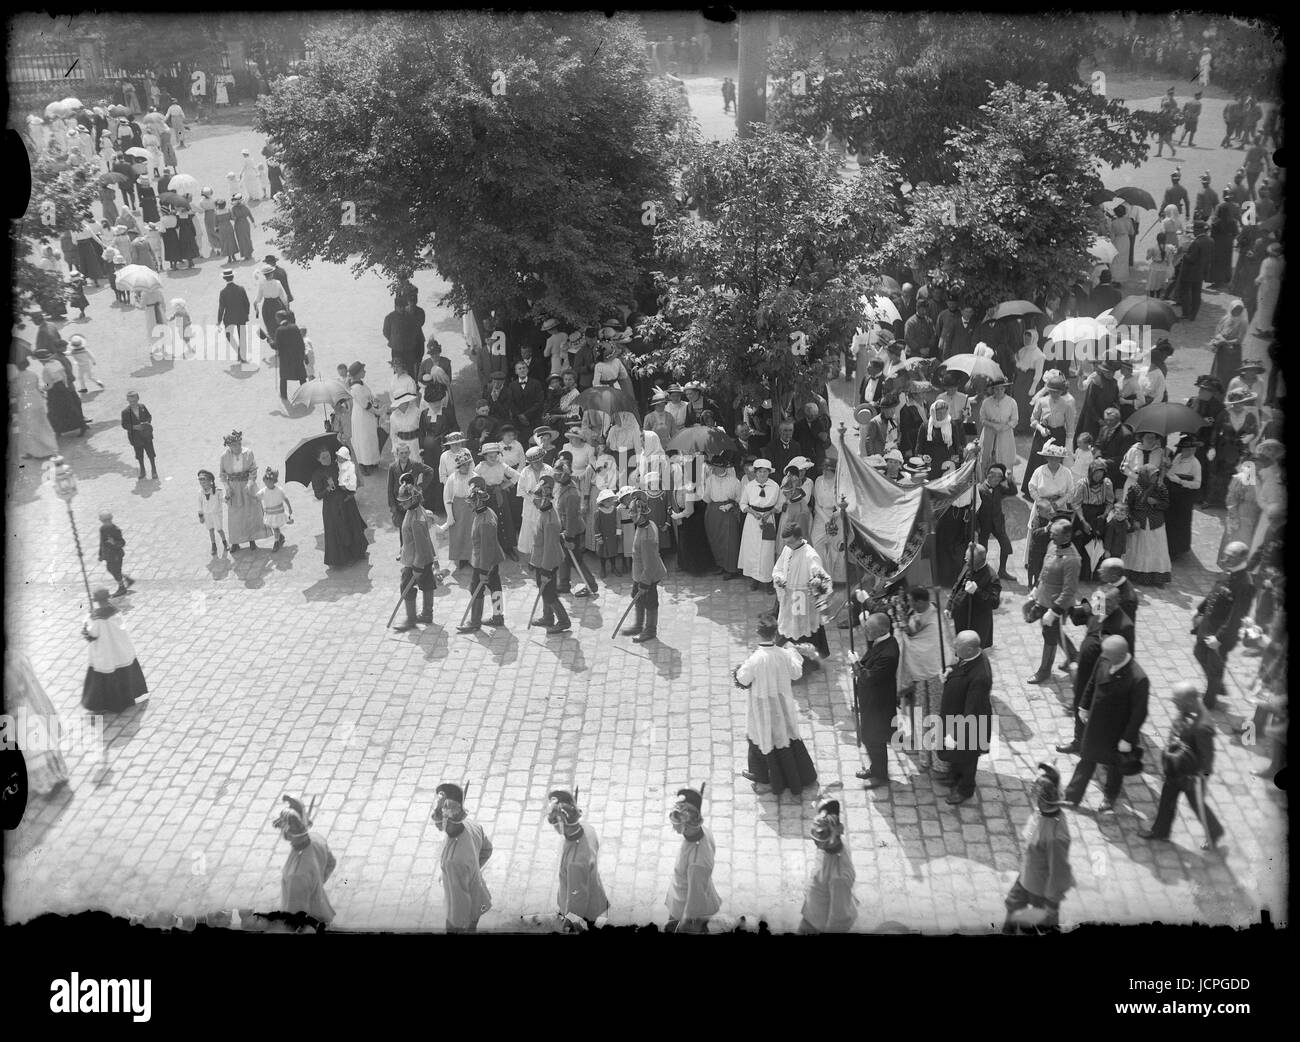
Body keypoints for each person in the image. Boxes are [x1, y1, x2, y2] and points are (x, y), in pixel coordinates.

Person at [1062, 635, 1149, 813]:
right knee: (1087, 758)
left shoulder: (1138, 678)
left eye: (1108, 656)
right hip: (1095, 723)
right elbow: (1092, 682)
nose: (1104, 658)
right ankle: (1072, 796)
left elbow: (1139, 713)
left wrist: (1127, 739)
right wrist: (1084, 706)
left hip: (1117, 730)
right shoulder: (1104, 659)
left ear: (1119, 656)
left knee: (1114, 765)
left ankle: (1110, 795)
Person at [734, 615, 819, 796]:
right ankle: (796, 777)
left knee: (761, 737)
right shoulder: (784, 654)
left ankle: (762, 777)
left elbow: (742, 678)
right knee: (785, 736)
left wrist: (740, 668)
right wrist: (794, 651)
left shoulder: (755, 659)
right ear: (775, 633)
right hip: (782, 705)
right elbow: (796, 673)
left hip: (762, 706)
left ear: (758, 633)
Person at [1136, 683, 1224, 850]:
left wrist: (1200, 777)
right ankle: (1161, 831)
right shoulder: (1190, 709)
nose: (1174, 704)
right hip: (1178, 767)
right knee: (1167, 798)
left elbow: (1207, 756)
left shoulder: (1202, 726)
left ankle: (1215, 831)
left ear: (1189, 701)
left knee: (1196, 804)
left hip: (1192, 774)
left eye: (1177, 701)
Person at [1002, 764, 1074, 933]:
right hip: (1026, 874)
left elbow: (1059, 871)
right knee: (1012, 903)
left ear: (1043, 801)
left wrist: (1052, 903)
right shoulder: (1042, 813)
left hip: (1041, 889)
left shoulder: (1056, 837)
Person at [931, 629, 994, 806]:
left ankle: (965, 789)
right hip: (956, 715)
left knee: (968, 758)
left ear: (969, 650)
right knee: (958, 755)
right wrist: (950, 674)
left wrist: (955, 735)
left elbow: (972, 711)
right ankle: (954, 776)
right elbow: (961, 667)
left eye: (957, 645)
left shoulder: (980, 677)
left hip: (970, 725)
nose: (954, 647)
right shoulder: (970, 658)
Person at [1193, 541, 1253, 711]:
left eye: (1230, 556)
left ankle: (1208, 702)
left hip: (1220, 634)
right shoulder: (1228, 570)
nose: (1224, 558)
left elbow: (1237, 616)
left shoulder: (1245, 584)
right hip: (1208, 625)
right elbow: (1215, 591)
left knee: (1213, 668)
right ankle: (1218, 686)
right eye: (1225, 554)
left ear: (1242, 558)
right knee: (1198, 653)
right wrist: (1200, 610)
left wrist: (1219, 638)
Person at [4, 650, 71, 794]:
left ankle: (47, 780)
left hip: (21, 708)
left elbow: (15, 691)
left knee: (33, 742)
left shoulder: (11, 663)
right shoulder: (16, 657)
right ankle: (55, 773)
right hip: (30, 703)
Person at [432, 783, 493, 933]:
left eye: (440, 820)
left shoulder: (452, 862)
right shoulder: (472, 825)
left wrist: (455, 926)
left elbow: (459, 902)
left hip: (464, 915)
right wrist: (471, 870)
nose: (438, 824)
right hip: (478, 896)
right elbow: (487, 849)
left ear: (448, 821)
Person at [545, 790, 609, 931]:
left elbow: (577, 901)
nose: (554, 826)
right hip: (597, 897)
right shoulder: (588, 829)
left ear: (562, 824)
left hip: (588, 915)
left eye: (555, 822)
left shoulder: (575, 863)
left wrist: (569, 924)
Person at [1027, 519, 1081, 683]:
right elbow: (1045, 568)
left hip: (1057, 603)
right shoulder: (1052, 544)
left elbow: (1069, 590)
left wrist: (1054, 611)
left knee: (1049, 634)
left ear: (1067, 536)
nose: (1051, 536)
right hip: (1044, 597)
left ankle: (1044, 672)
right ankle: (1074, 656)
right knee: (1055, 632)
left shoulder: (1072, 559)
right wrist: (1036, 588)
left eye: (1055, 534)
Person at [771, 522, 831, 667]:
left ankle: (806, 664)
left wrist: (816, 582)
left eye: (790, 542)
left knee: (802, 630)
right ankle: (784, 660)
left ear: (800, 538)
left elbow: (822, 578)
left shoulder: (810, 555)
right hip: (788, 596)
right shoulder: (787, 549)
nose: (787, 545)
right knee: (787, 627)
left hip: (802, 599)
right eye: (785, 542)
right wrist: (779, 578)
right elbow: (778, 568)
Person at [271, 796, 336, 929]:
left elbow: (294, 919)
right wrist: (316, 881)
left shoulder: (297, 876)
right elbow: (331, 862)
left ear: (289, 835)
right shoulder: (317, 839)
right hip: (323, 911)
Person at [80, 587, 148, 712]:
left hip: (105, 653)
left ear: (97, 601)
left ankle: (109, 705)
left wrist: (88, 619)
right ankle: (127, 700)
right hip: (120, 650)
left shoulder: (95, 619)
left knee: (106, 676)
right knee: (122, 674)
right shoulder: (115, 611)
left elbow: (92, 634)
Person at [852, 612, 900, 790]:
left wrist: (857, 665)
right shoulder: (881, 642)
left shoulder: (889, 653)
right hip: (871, 699)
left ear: (880, 631)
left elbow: (870, 678)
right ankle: (876, 768)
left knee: (873, 739)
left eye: (869, 629)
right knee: (872, 738)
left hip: (878, 704)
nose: (865, 631)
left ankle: (881, 775)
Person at [664, 787, 722, 934]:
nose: (673, 826)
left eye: (675, 823)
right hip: (683, 899)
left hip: (684, 911)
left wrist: (683, 927)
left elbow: (695, 902)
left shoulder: (697, 862)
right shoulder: (703, 831)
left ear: (685, 825)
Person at [799, 798, 859, 934]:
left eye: (820, 838)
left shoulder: (839, 878)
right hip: (813, 909)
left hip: (818, 925)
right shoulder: (830, 845)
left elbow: (839, 918)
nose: (816, 844)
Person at [458, 477, 507, 632]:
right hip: (491, 558)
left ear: (478, 501)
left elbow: (486, 548)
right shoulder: (487, 512)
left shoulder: (485, 521)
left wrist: (484, 571)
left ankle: (474, 622)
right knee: (495, 586)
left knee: (476, 589)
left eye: (472, 501)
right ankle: (498, 616)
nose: (470, 504)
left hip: (484, 561)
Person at [619, 488, 666, 642]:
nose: (630, 514)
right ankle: (638, 625)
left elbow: (650, 564)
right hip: (639, 573)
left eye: (633, 512)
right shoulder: (646, 524)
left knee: (650, 602)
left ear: (640, 514)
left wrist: (644, 583)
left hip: (648, 576)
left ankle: (650, 630)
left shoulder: (647, 537)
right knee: (637, 598)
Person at [310, 448, 369, 568]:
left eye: (327, 455)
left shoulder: (338, 465)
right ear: (318, 459)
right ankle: (343, 558)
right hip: (332, 507)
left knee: (353, 526)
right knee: (339, 531)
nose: (327, 459)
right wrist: (328, 488)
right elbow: (318, 495)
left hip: (347, 501)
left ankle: (357, 553)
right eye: (323, 457)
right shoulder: (317, 474)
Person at [529, 475, 571, 635]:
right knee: (544, 589)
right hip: (541, 560)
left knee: (549, 593)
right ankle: (548, 617)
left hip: (549, 562)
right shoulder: (544, 512)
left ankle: (564, 620)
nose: (534, 501)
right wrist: (534, 562)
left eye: (536, 498)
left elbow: (550, 548)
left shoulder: (551, 521)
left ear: (545, 500)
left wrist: (546, 570)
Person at [555, 459, 598, 595]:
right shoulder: (565, 486)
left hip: (572, 530)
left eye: (559, 474)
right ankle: (563, 584)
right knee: (564, 557)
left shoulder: (571, 494)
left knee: (576, 560)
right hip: (565, 527)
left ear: (566, 475)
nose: (556, 476)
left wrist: (569, 537)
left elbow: (572, 518)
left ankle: (591, 585)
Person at [947, 543, 1000, 649]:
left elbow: (994, 603)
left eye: (969, 560)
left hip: (975, 623)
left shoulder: (992, 578)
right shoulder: (968, 565)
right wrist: (949, 605)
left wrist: (977, 592)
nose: (965, 561)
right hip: (961, 618)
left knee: (971, 650)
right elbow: (957, 585)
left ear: (979, 562)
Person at [34, 345, 88, 437]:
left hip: (54, 391)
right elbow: (64, 375)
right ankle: (81, 425)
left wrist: (42, 388)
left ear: (41, 360)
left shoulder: (46, 369)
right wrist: (65, 385)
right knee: (70, 408)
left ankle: (58, 430)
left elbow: (49, 384)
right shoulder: (56, 362)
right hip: (63, 387)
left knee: (54, 411)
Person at [116, 388, 158, 480]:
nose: (132, 403)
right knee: (139, 455)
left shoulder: (142, 407)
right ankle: (142, 469)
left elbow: (149, 416)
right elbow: (124, 425)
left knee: (151, 453)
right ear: (128, 401)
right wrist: (134, 427)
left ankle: (153, 469)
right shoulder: (125, 412)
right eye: (130, 401)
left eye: (134, 401)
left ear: (138, 399)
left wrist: (146, 424)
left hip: (146, 435)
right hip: (135, 437)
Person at [1174, 220, 1212, 320]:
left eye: (1194, 230)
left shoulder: (1197, 242)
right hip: (1201, 272)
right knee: (1196, 294)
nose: (1193, 232)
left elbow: (1191, 258)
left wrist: (1184, 255)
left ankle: (1186, 313)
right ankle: (1193, 314)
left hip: (1189, 272)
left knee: (1185, 292)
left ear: (1198, 230)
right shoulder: (1210, 241)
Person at [977, 378, 1017, 472]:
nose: (999, 391)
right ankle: (985, 482)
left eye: (1001, 389)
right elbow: (982, 419)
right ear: (993, 389)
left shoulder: (1011, 402)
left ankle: (1005, 482)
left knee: (1005, 457)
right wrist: (992, 425)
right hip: (989, 432)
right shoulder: (986, 402)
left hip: (1005, 433)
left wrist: (1003, 427)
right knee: (986, 457)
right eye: (996, 389)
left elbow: (1014, 420)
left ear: (1005, 389)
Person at [217, 269, 251, 363]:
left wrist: (219, 320)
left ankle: (238, 352)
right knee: (242, 336)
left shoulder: (223, 292)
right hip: (241, 316)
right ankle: (242, 356)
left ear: (224, 278)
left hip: (229, 317)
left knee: (229, 336)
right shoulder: (241, 288)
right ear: (233, 277)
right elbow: (247, 303)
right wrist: (246, 314)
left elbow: (221, 308)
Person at [258, 468, 294, 552]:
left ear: (273, 482)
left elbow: (285, 499)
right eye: (265, 482)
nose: (266, 484)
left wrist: (289, 507)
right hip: (270, 514)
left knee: (275, 528)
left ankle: (276, 542)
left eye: (268, 482)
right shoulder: (264, 490)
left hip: (278, 513)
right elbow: (257, 496)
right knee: (274, 527)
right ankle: (280, 536)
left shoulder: (279, 490)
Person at [197, 469, 228, 556]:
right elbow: (199, 504)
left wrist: (227, 497)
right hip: (207, 515)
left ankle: (225, 542)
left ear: (210, 482)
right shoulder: (200, 492)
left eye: (204, 483)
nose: (202, 485)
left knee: (219, 529)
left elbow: (223, 500)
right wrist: (201, 516)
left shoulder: (218, 491)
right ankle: (213, 545)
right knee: (210, 530)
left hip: (216, 514)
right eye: (201, 483)